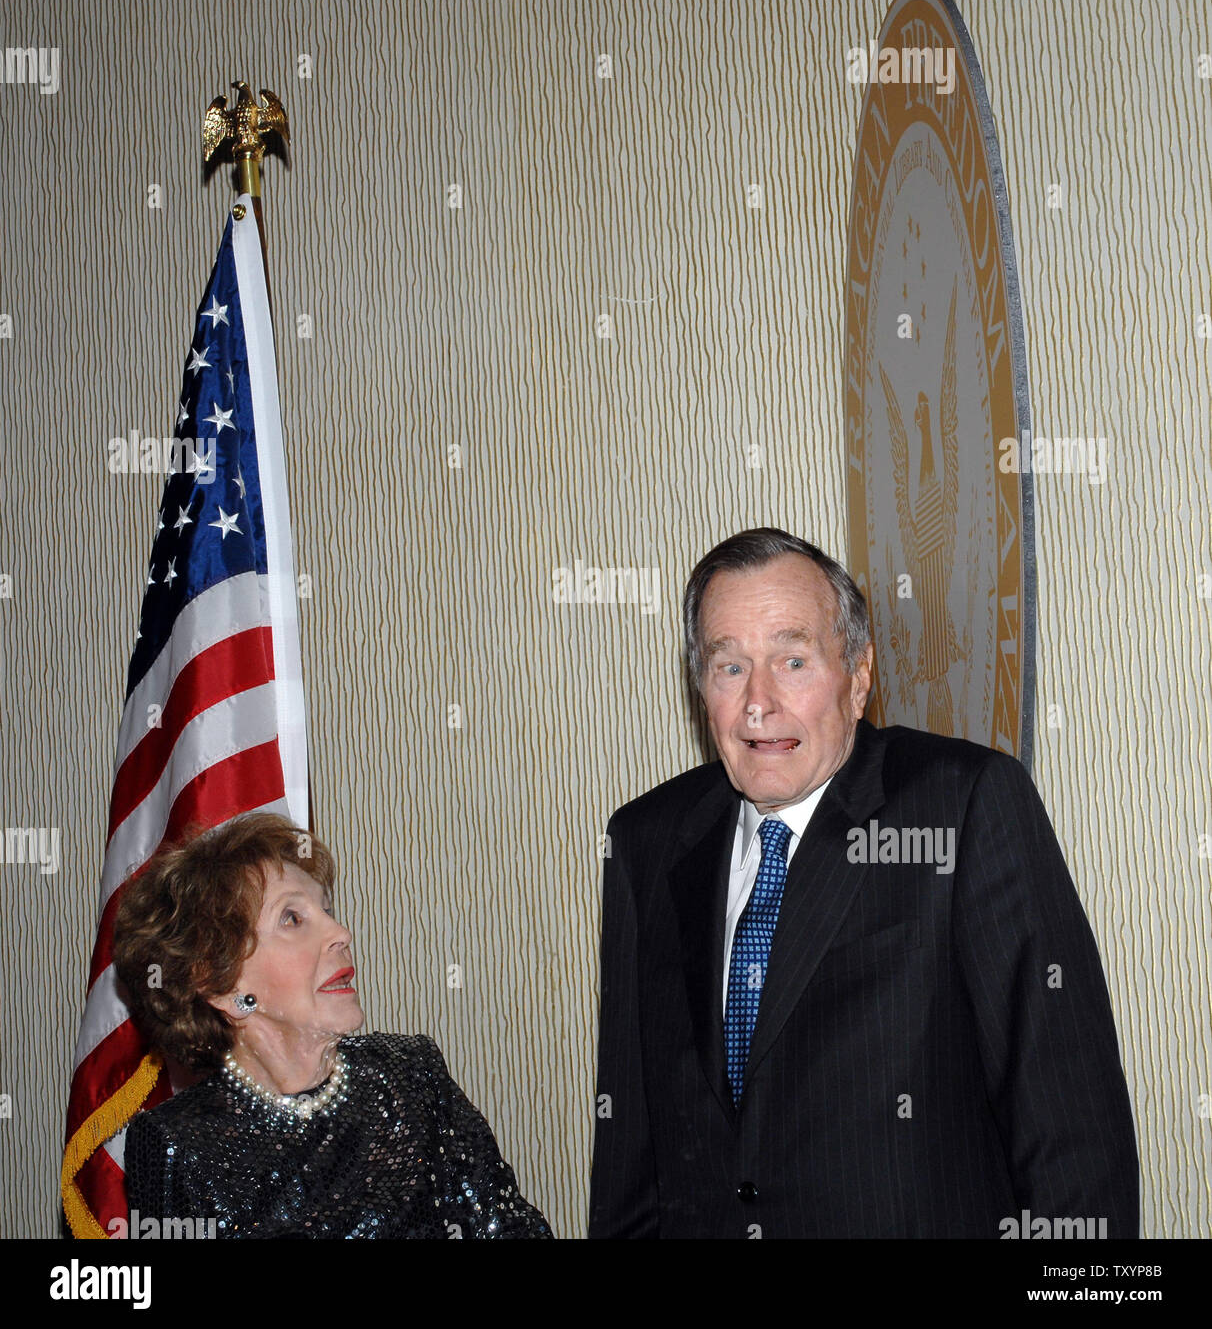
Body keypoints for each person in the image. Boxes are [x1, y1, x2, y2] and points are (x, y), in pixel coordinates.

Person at [588, 527, 1139, 1238]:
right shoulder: (645, 841)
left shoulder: (964, 806)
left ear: (859, 675)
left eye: (793, 660)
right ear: (700, 687)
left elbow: (1069, 1122)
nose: (759, 702)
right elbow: (631, 1151)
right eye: (729, 668)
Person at [114, 811, 551, 1239]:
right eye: (292, 918)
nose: (340, 932)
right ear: (220, 984)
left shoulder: (410, 1075)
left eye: (327, 909)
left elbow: (511, 1226)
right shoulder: (179, 1144)